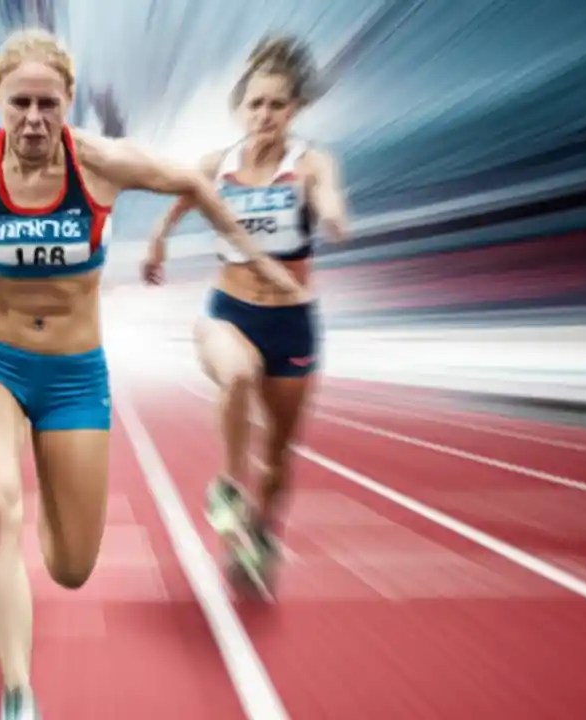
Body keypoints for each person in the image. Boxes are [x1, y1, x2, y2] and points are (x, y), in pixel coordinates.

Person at [0, 28, 301, 720]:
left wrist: (254, 258)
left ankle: (49, 540)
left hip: (74, 376)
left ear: (68, 103)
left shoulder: (101, 164)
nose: (33, 119)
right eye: (20, 102)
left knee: (71, 566)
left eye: (48, 104)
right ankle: (18, 692)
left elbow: (191, 182)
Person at [143, 34, 349, 597]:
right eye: (255, 104)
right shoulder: (218, 165)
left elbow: (332, 201)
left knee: (279, 456)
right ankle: (229, 486)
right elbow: (180, 201)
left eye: (276, 105)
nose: (264, 115)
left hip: (291, 324)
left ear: (294, 109)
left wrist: (331, 215)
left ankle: (261, 532)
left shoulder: (309, 165)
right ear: (241, 108)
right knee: (234, 374)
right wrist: (157, 241)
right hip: (229, 312)